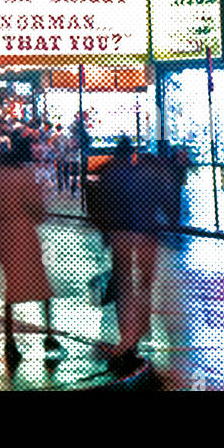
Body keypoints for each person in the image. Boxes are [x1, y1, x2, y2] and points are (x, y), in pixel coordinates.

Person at [88, 137, 173, 374]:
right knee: (143, 284)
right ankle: (141, 328)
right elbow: (164, 200)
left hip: (121, 232)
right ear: (132, 153)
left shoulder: (109, 173)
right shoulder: (145, 173)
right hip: (147, 231)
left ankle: (128, 336)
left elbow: (98, 205)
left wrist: (105, 230)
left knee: (124, 283)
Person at [0, 134, 61, 367]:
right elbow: (37, 206)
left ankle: (9, 339)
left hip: (1, 233)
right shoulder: (25, 175)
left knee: (10, 289)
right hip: (24, 231)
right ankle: (48, 334)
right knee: (40, 283)